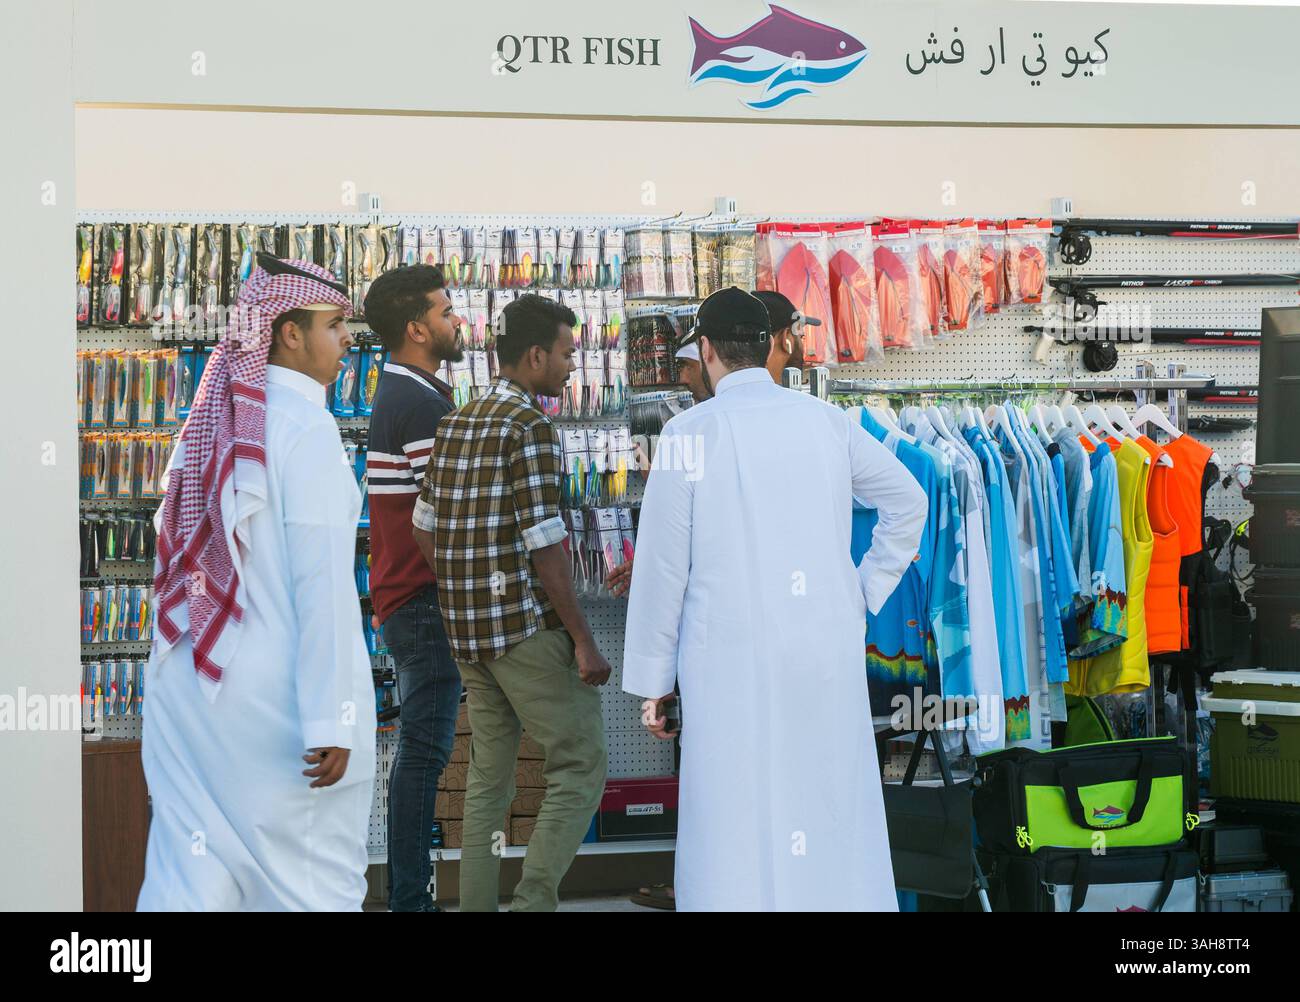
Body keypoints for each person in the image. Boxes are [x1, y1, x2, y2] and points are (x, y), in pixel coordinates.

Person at [622, 287, 928, 911]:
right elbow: (908, 502)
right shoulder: (826, 422)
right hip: (821, 647)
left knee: (732, 802)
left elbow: (661, 569)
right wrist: (862, 592)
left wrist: (654, 682)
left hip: (728, 657)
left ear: (705, 350)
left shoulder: (686, 435)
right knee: (826, 786)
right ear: (769, 345)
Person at [139, 255, 376, 911]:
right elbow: (322, 587)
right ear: (289, 333)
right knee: (306, 888)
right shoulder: (306, 429)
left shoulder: (207, 426)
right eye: (334, 326)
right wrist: (332, 716)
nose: (347, 342)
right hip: (276, 715)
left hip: (186, 694)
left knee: (188, 880)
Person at [412, 293, 610, 912]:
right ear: (534, 355)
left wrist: (463, 584)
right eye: (566, 354)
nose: (573, 366)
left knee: (486, 785)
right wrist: (582, 638)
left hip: (467, 634)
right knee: (580, 765)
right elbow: (546, 547)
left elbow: (422, 524)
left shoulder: (456, 422)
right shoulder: (530, 428)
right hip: (523, 633)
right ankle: (532, 904)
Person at [363, 264, 465, 912]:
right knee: (423, 756)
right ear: (416, 326)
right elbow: (441, 519)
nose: (457, 319)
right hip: (425, 600)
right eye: (446, 309)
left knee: (419, 754)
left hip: (410, 599)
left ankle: (410, 897)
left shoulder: (405, 390)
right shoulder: (420, 402)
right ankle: (409, 901)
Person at [753, 289, 814, 383]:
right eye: (800, 337)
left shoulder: (726, 395)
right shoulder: (796, 398)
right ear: (786, 339)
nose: (803, 347)